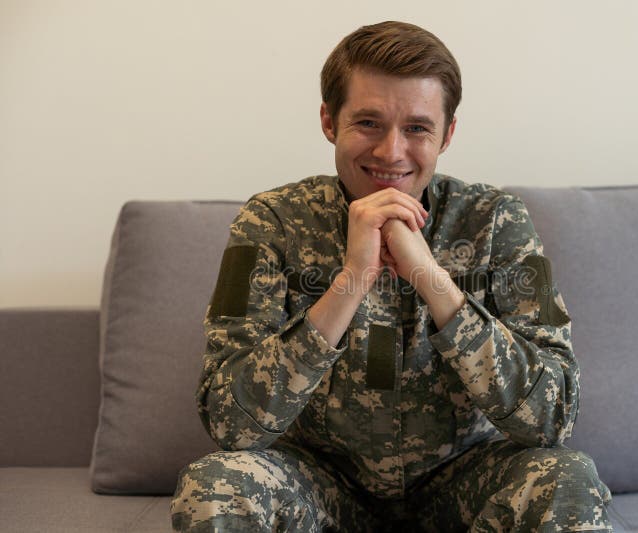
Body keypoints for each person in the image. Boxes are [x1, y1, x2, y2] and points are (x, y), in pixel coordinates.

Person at [171, 21, 612, 532]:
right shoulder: (271, 222)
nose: (391, 152)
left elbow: (553, 417)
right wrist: (351, 281)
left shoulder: (496, 221)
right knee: (217, 484)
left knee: (565, 477)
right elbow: (231, 423)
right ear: (329, 122)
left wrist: (428, 276)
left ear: (447, 134)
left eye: (417, 128)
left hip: (464, 486)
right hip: (320, 486)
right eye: (368, 123)